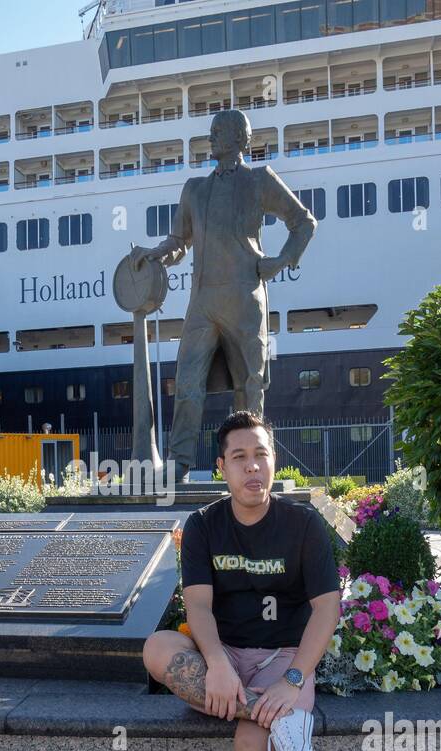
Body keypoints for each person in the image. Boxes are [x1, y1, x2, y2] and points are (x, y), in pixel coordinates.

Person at [142, 411, 341, 751]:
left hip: (284, 660)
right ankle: (278, 719)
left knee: (252, 747)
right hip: (224, 661)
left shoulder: (302, 524)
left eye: (261, 455)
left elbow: (327, 610)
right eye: (240, 458)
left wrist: (297, 678)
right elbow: (198, 606)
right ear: (220, 468)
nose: (253, 468)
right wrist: (217, 663)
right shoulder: (205, 525)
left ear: (273, 461)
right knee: (157, 648)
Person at [133, 109, 316, 480]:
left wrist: (280, 261)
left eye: (219, 131)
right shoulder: (194, 189)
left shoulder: (260, 180)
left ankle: (252, 468)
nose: (212, 137)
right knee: (187, 382)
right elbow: (178, 242)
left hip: (246, 297)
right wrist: (156, 254)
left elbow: (303, 222)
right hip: (202, 302)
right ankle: (179, 465)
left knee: (250, 385)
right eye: (212, 131)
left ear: (240, 138)